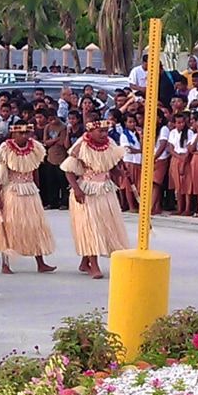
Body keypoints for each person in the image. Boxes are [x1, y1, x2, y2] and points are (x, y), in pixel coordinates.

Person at [62, 119, 131, 279]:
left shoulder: (110, 144)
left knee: (105, 226)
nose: (104, 134)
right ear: (90, 131)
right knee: (91, 227)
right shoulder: (81, 145)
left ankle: (85, 262)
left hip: (106, 190)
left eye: (106, 131)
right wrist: (77, 190)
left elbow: (111, 165)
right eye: (100, 131)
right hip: (87, 190)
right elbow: (68, 170)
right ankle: (94, 265)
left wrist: (121, 173)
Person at [0, 124, 57, 275]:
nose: (25, 136)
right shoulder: (6, 150)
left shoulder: (34, 148)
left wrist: (37, 188)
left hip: (30, 191)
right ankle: (5, 263)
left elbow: (35, 170)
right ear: (14, 134)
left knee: (36, 225)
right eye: (22, 133)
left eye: (27, 133)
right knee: (9, 226)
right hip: (13, 191)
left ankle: (40, 262)